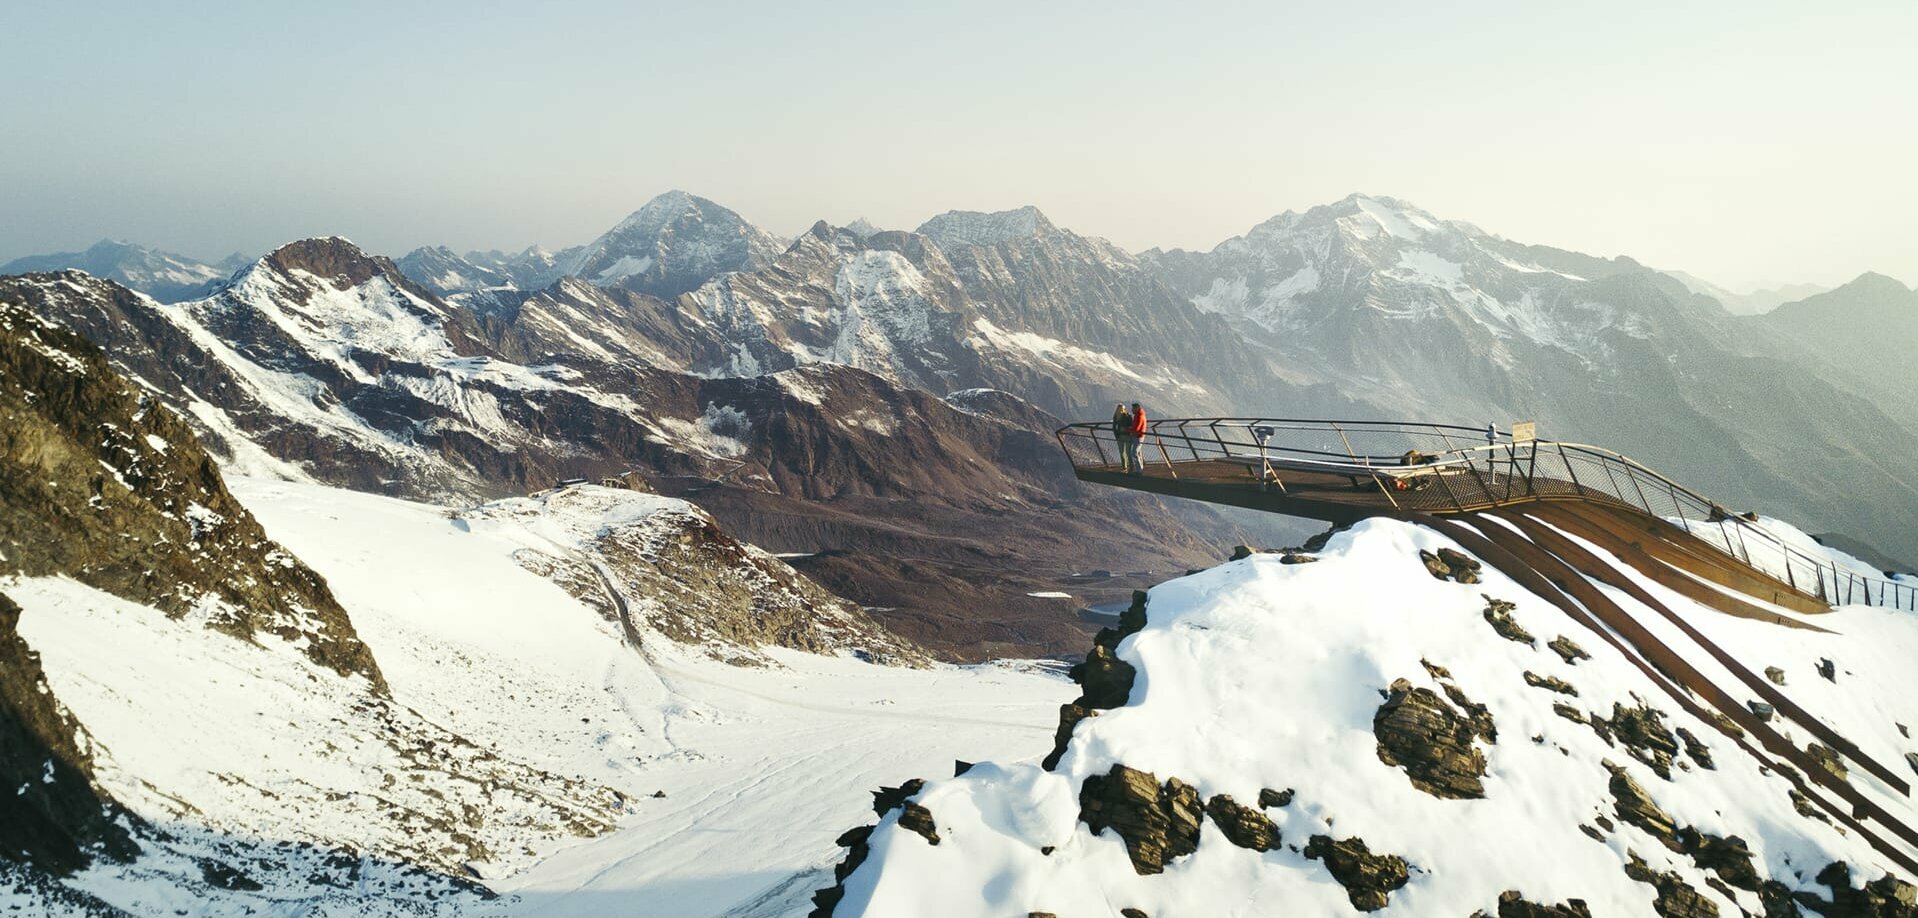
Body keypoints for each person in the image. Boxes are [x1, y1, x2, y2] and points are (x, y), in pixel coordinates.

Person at [1125, 402, 1148, 475]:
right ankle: (1140, 468)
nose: (1132, 410)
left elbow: (1136, 428)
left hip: (1138, 436)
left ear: (1136, 408)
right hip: (1139, 435)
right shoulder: (1140, 415)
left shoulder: (1139, 416)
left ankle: (1139, 470)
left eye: (1133, 409)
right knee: (1138, 452)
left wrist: (1127, 429)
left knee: (1134, 453)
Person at [1111, 403, 1134, 472]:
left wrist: (1117, 435)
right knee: (1124, 452)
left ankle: (1128, 466)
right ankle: (1127, 466)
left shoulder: (1125, 416)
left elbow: (1114, 427)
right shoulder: (1126, 416)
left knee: (1125, 452)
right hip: (1123, 436)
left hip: (1124, 436)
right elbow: (1114, 427)